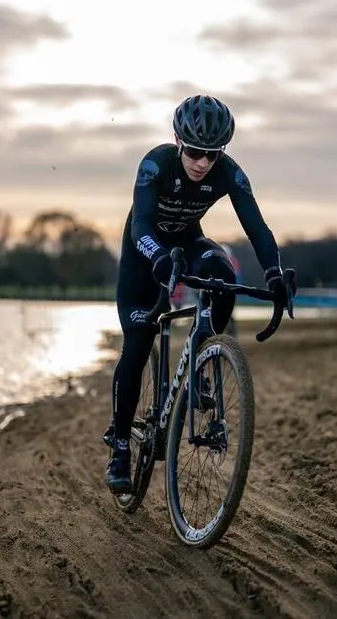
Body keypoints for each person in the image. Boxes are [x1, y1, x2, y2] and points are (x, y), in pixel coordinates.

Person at [104, 94, 293, 494]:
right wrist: (156, 257)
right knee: (137, 346)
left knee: (221, 272)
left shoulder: (229, 173)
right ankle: (120, 444)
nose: (202, 163)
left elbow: (256, 227)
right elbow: (140, 223)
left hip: (188, 243)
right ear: (178, 142)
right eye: (194, 151)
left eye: (212, 154)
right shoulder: (157, 163)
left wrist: (274, 272)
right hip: (144, 252)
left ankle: (201, 362)